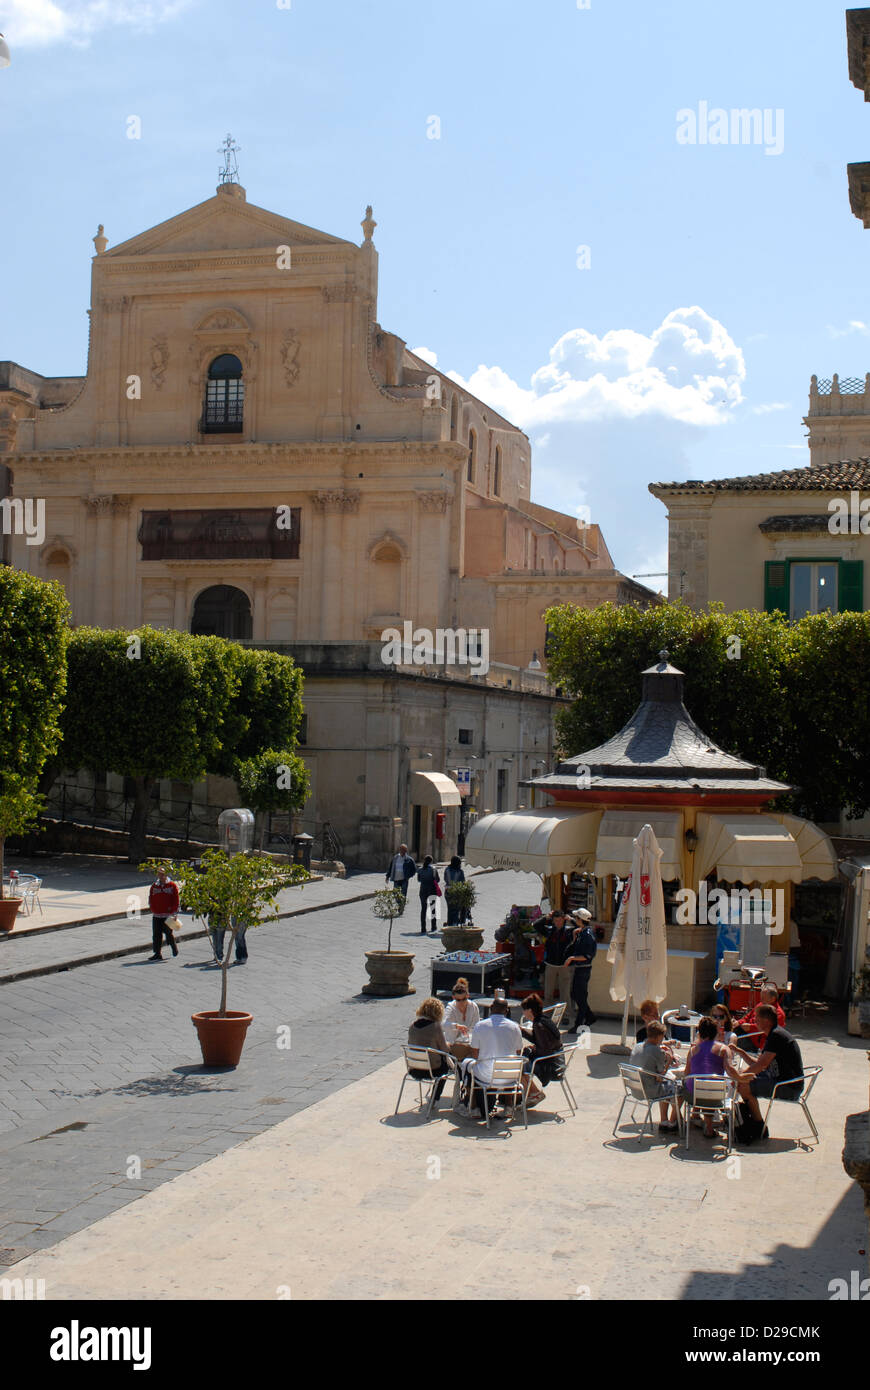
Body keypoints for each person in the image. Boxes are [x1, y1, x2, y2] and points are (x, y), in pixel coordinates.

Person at [734, 1004, 805, 1144]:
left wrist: (739, 1077)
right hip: (780, 1079)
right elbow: (761, 1063)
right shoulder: (774, 1033)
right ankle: (753, 1123)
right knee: (744, 1080)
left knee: (743, 1086)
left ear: (766, 1021)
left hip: (788, 1086)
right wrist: (741, 1053)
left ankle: (759, 1126)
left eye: (757, 1019)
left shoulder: (776, 1036)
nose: (754, 1022)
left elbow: (762, 1065)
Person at [457, 995, 524, 1118]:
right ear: (507, 1010)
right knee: (509, 1066)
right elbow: (518, 1052)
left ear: (491, 1008)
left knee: (467, 1063)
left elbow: (475, 1053)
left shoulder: (480, 1026)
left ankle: (473, 1106)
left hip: (486, 1076)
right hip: (509, 1076)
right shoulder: (515, 1027)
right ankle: (509, 1107)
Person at [682, 1015, 740, 1137]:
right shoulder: (723, 1049)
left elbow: (686, 1073)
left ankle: (685, 1119)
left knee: (699, 1087)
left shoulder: (692, 1050)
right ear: (716, 1032)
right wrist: (742, 1077)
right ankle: (709, 1128)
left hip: (693, 1097)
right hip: (714, 1095)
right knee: (712, 1089)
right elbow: (730, 1070)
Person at [629, 1020, 678, 1131]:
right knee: (677, 1088)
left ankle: (665, 1121)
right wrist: (669, 1060)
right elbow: (661, 1076)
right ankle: (674, 1121)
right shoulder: (656, 1051)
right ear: (659, 1036)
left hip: (635, 1088)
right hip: (649, 1091)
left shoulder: (637, 1046)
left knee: (668, 1085)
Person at [519, 993, 564, 1105]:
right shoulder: (544, 1020)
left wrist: (533, 1050)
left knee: (517, 1067)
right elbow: (540, 1041)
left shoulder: (538, 1025)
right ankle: (530, 1093)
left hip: (550, 1066)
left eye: (524, 1010)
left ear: (529, 1010)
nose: (523, 1013)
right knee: (523, 1059)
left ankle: (534, 1093)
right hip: (558, 1061)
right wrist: (522, 1030)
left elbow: (544, 1051)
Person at [407, 998, 452, 1104]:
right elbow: (444, 1050)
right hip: (432, 1070)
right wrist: (450, 1045)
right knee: (448, 1068)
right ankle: (435, 1098)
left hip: (414, 1068)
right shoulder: (436, 1026)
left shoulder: (412, 1026)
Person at [565, 909, 598, 1030]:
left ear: (580, 920)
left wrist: (572, 958)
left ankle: (579, 1024)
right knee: (576, 994)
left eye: (576, 918)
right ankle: (589, 1016)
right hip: (580, 969)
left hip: (583, 970)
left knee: (580, 996)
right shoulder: (583, 932)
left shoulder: (587, 935)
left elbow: (587, 956)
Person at [540, 909, 575, 1011]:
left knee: (565, 994)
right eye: (555, 921)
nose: (558, 923)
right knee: (548, 993)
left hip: (565, 966)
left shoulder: (569, 931)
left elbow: (580, 927)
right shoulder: (549, 931)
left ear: (564, 920)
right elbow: (536, 925)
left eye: (560, 920)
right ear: (553, 921)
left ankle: (566, 1015)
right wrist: (546, 917)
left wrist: (571, 919)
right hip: (550, 965)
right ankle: (547, 1014)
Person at [734, 985, 785, 1051]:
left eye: (763, 998)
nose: (761, 1000)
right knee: (726, 1028)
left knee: (728, 1038)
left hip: (757, 1044)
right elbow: (748, 1016)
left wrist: (750, 1027)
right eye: (761, 997)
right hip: (747, 1034)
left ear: (773, 999)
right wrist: (738, 1022)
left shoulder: (778, 1014)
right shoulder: (761, 1004)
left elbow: (770, 1029)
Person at [442, 978, 480, 1059]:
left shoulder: (473, 1006)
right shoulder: (451, 1007)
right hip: (453, 1043)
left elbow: (476, 1027)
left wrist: (468, 1032)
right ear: (453, 997)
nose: (461, 1002)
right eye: (458, 1000)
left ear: (468, 996)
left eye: (464, 999)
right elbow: (443, 1025)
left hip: (468, 1042)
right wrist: (456, 1026)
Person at [147, 866, 179, 961]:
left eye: (162, 874)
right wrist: (152, 908)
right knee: (156, 934)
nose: (160, 876)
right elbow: (151, 898)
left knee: (168, 932)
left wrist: (174, 912)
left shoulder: (172, 886)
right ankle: (157, 953)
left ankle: (173, 946)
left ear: (166, 875)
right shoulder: (154, 886)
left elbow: (176, 900)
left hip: (168, 914)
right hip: (157, 914)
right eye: (159, 874)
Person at [416, 855, 441, 933]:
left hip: (423, 890)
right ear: (431, 861)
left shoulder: (420, 870)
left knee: (423, 909)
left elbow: (419, 880)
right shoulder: (433, 869)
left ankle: (423, 927)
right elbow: (437, 879)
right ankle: (433, 926)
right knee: (433, 908)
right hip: (432, 889)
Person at [443, 855, 466, 925]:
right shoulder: (460, 871)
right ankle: (454, 924)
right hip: (456, 892)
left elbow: (445, 878)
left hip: (447, 891)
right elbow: (463, 882)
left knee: (450, 909)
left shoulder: (447, 869)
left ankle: (449, 924)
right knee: (456, 909)